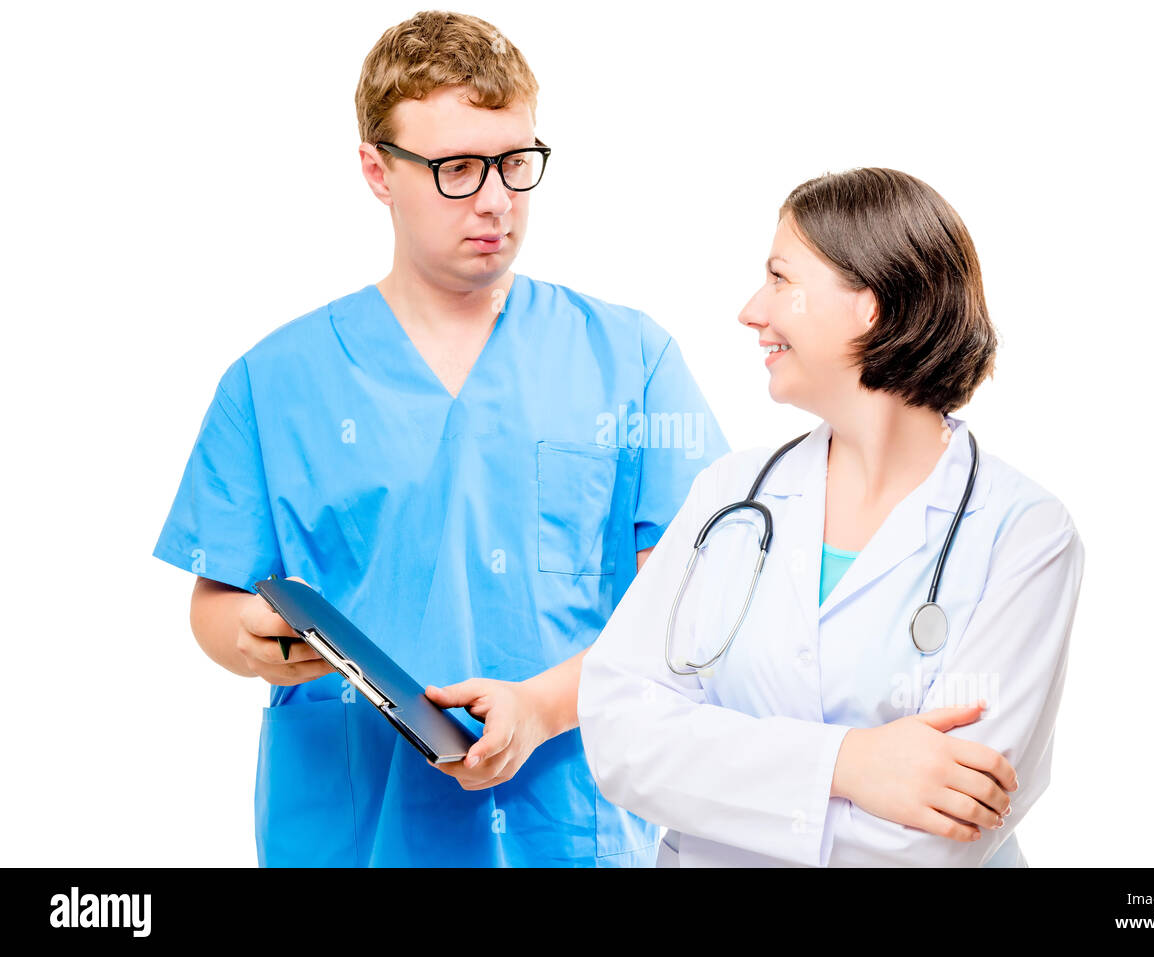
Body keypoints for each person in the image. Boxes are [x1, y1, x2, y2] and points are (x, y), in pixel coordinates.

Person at [152, 10, 727, 867]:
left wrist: (539, 708)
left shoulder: (630, 360)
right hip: (350, 832)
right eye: (457, 168)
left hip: (566, 829)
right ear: (377, 171)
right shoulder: (273, 382)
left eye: (516, 163)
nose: (496, 200)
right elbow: (215, 604)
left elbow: (695, 614)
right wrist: (252, 636)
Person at [577, 167, 1085, 867]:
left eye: (781, 279)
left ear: (868, 305)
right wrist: (850, 764)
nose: (752, 310)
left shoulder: (1026, 532)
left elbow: (944, 829)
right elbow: (619, 735)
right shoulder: (731, 494)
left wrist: (720, 786)